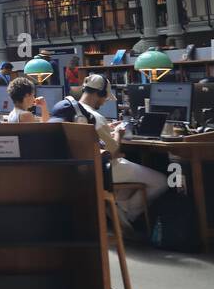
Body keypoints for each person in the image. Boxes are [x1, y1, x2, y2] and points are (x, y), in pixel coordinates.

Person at [49, 74, 167, 227]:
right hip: (103, 169)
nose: (105, 102)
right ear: (100, 94)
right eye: (105, 98)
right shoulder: (96, 117)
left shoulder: (76, 111)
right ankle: (128, 216)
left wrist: (107, 132)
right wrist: (118, 133)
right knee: (161, 181)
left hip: (81, 171)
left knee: (130, 176)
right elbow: (113, 152)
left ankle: (119, 208)